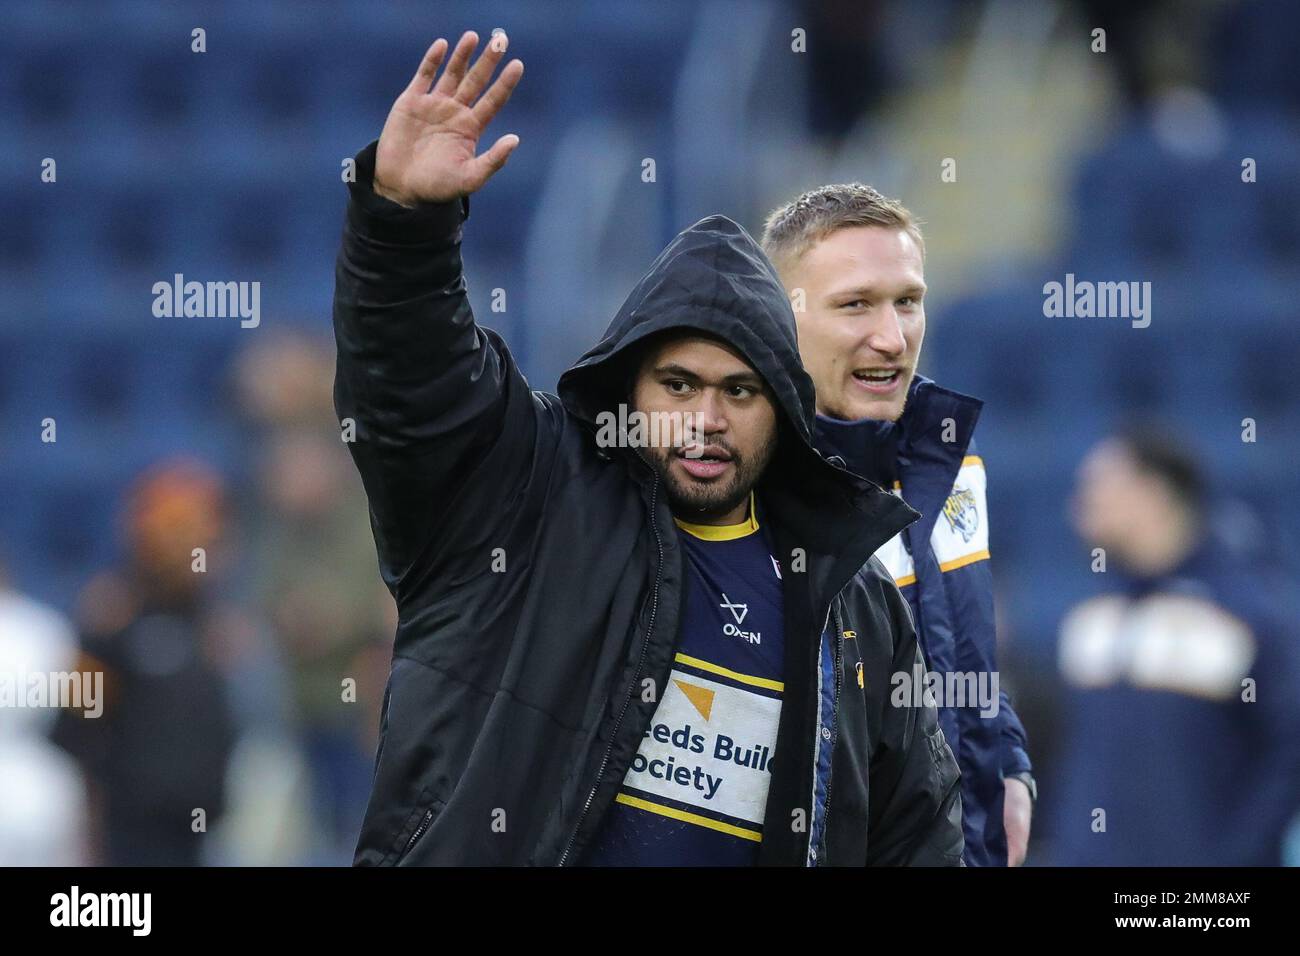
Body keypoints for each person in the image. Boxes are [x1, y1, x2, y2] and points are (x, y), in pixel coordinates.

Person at [334, 31, 963, 866]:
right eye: (677, 385)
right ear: (629, 387)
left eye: (739, 393)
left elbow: (916, 834)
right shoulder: (524, 492)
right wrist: (403, 226)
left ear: (783, 412)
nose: (705, 417)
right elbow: (415, 391)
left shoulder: (853, 604)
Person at [761, 185, 1035, 866]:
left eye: (907, 301)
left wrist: (1007, 758)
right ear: (776, 318)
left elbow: (962, 645)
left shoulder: (952, 461)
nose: (892, 336)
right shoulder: (744, 486)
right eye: (855, 304)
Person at [1053, 427, 1300, 865]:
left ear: (1155, 492)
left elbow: (1287, 754)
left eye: (1100, 485)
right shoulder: (1091, 616)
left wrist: (1238, 857)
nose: (1081, 502)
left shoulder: (1248, 613)